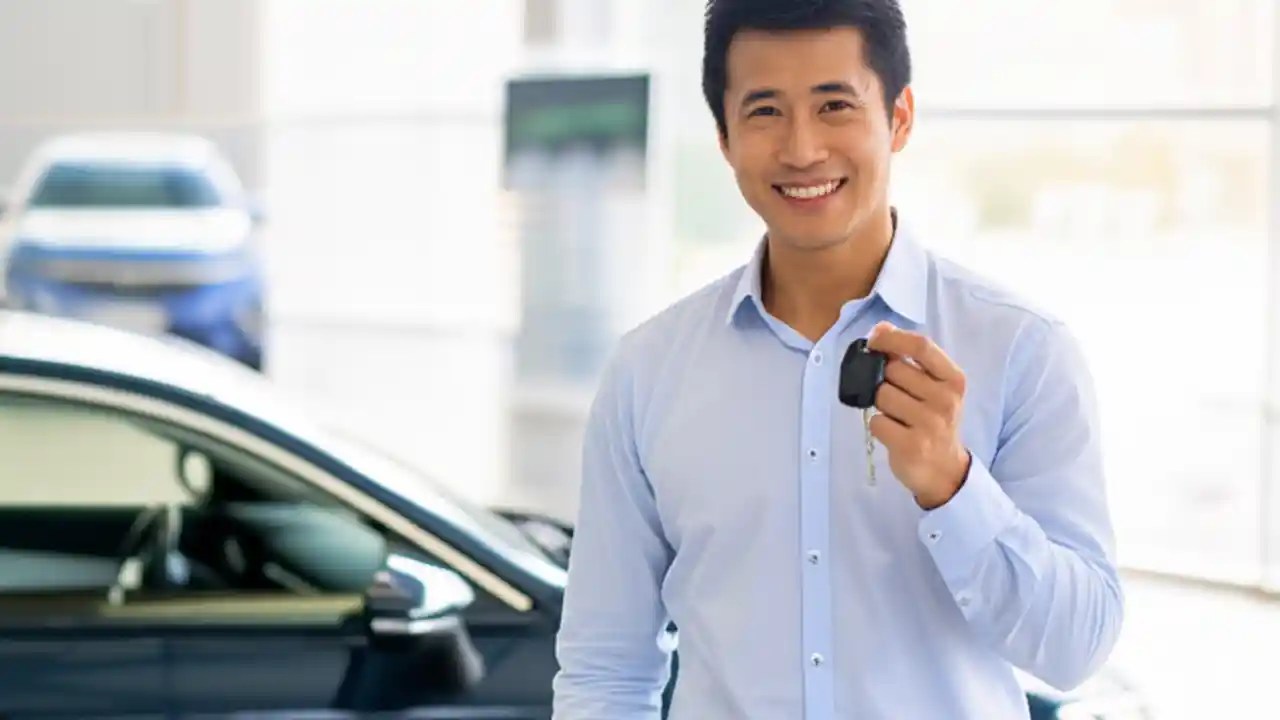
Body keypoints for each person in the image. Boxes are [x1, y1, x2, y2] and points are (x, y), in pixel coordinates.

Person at [551, 0, 1125, 718]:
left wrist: (953, 487)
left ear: (900, 118)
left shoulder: (1021, 350)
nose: (801, 149)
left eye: (834, 106)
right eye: (764, 112)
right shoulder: (648, 372)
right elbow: (604, 670)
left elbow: (1077, 648)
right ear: (725, 137)